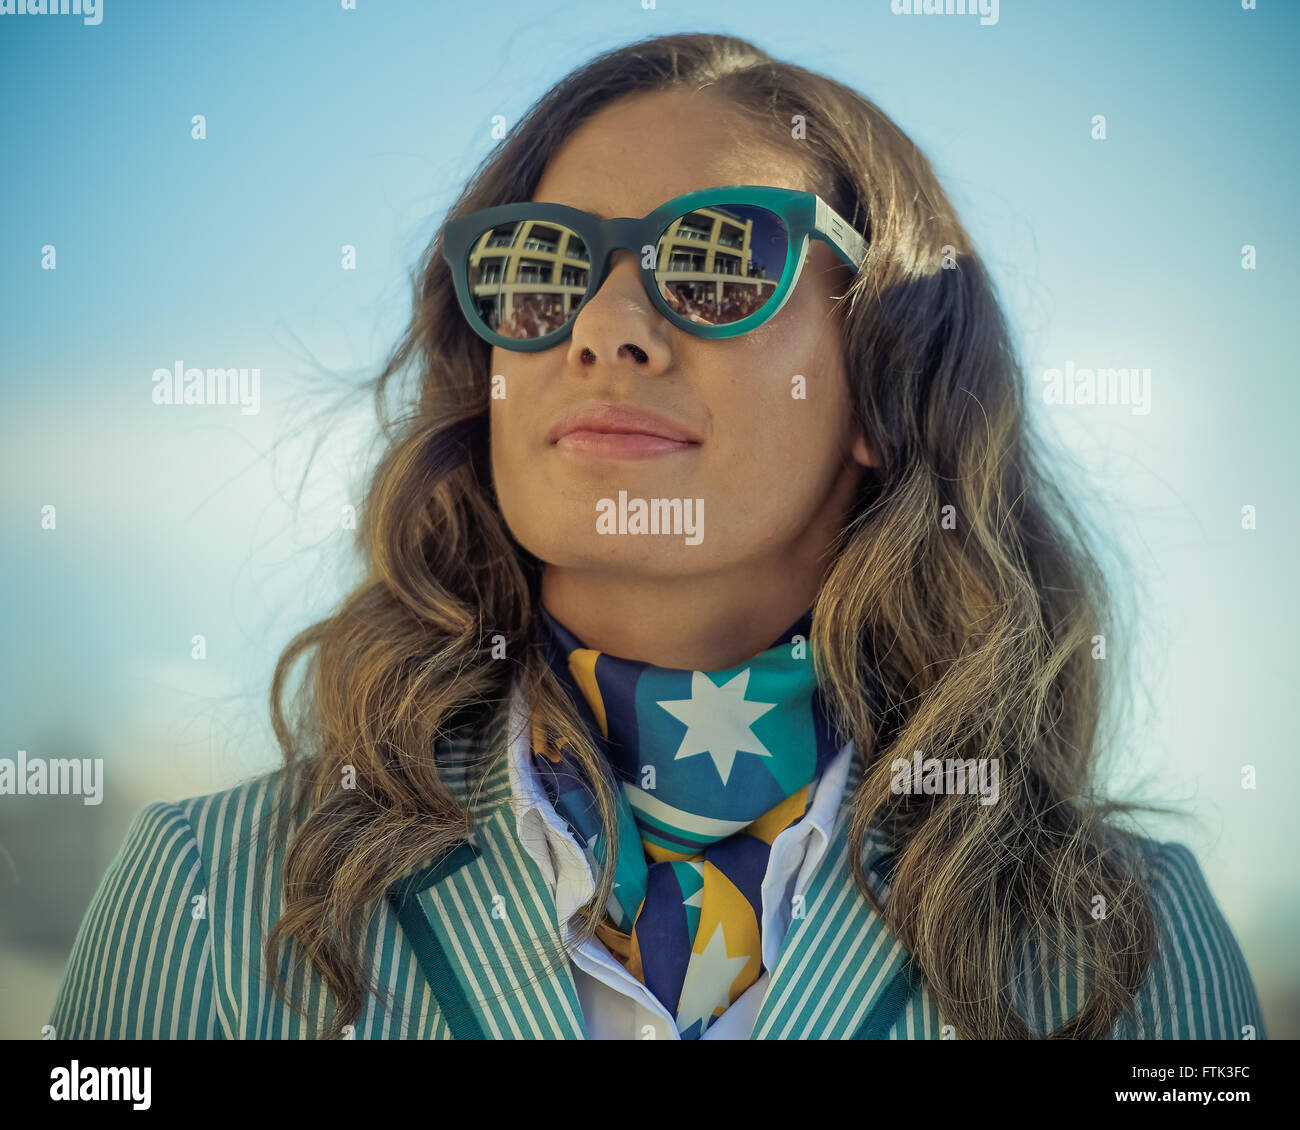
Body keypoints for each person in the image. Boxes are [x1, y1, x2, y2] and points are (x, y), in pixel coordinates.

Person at [48, 32, 1264, 1041]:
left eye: (721, 258)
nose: (606, 327)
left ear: (889, 384)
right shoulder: (213, 896)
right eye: (541, 269)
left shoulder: (1122, 941)